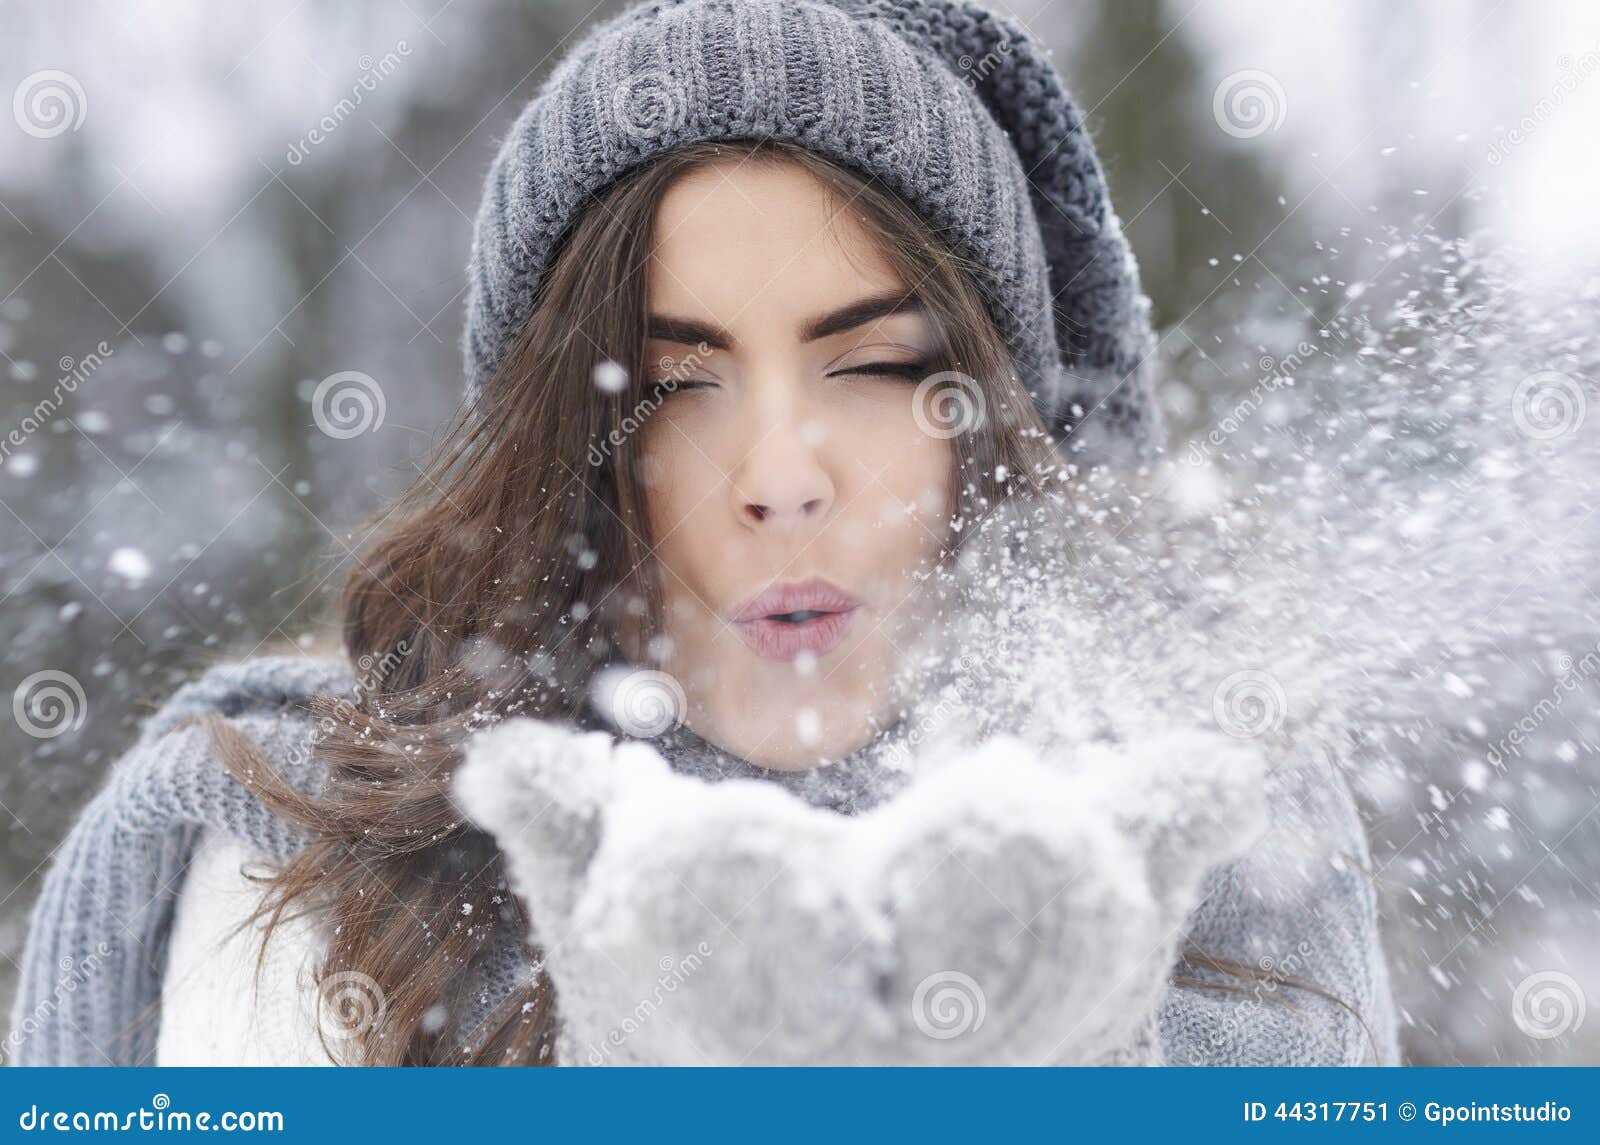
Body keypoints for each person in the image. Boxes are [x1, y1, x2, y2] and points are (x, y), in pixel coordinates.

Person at [7, 0, 1398, 1067]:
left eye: (876, 366)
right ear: (565, 445)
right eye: (673, 387)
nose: (778, 478)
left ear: (987, 417)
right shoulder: (323, 874)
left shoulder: (1221, 837)